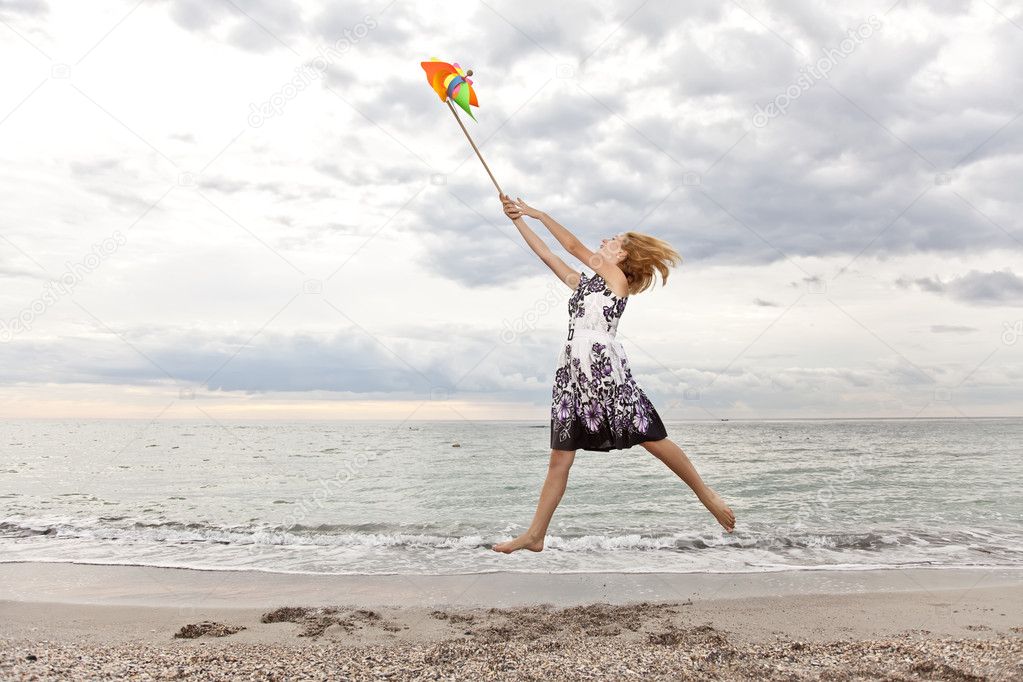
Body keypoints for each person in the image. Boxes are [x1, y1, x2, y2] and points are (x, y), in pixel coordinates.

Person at [492, 193, 736, 554]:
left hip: (602, 368)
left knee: (648, 435)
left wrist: (538, 212)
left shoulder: (616, 280)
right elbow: (548, 255)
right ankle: (535, 535)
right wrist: (518, 220)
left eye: (613, 241)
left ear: (623, 257)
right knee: (560, 455)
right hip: (573, 373)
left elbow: (572, 245)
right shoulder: (585, 284)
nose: (605, 241)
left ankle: (705, 493)